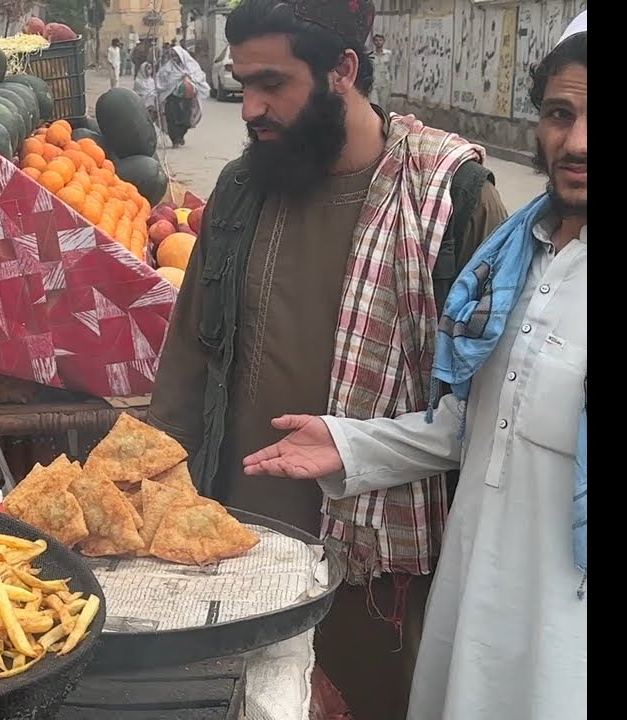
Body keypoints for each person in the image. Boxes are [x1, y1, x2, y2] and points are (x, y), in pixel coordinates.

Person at [144, 1, 509, 718]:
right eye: (241, 83)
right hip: (237, 552)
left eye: (273, 84)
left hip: (385, 576)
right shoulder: (242, 191)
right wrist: (153, 494)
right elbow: (187, 364)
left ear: (344, 69)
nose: (251, 108)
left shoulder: (454, 203)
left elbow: (490, 415)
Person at [243, 13, 586, 720]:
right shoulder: (514, 262)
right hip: (477, 601)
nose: (576, 142)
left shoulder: (474, 214)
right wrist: (346, 442)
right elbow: (467, 430)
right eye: (561, 113)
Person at [154, 45, 210, 148]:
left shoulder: (191, 66)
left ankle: (180, 136)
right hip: (171, 98)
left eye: (176, 56)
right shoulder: (168, 68)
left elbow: (199, 77)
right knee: (172, 119)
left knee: (186, 120)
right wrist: (174, 80)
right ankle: (175, 140)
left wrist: (189, 77)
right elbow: (161, 81)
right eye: (172, 56)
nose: (174, 58)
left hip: (187, 98)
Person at [372, 32, 392, 108]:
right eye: (376, 40)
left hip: (385, 83)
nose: (378, 42)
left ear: (383, 41)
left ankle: (383, 119)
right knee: (374, 104)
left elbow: (391, 68)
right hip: (374, 82)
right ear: (374, 42)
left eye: (380, 40)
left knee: (383, 105)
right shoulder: (371, 55)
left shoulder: (388, 54)